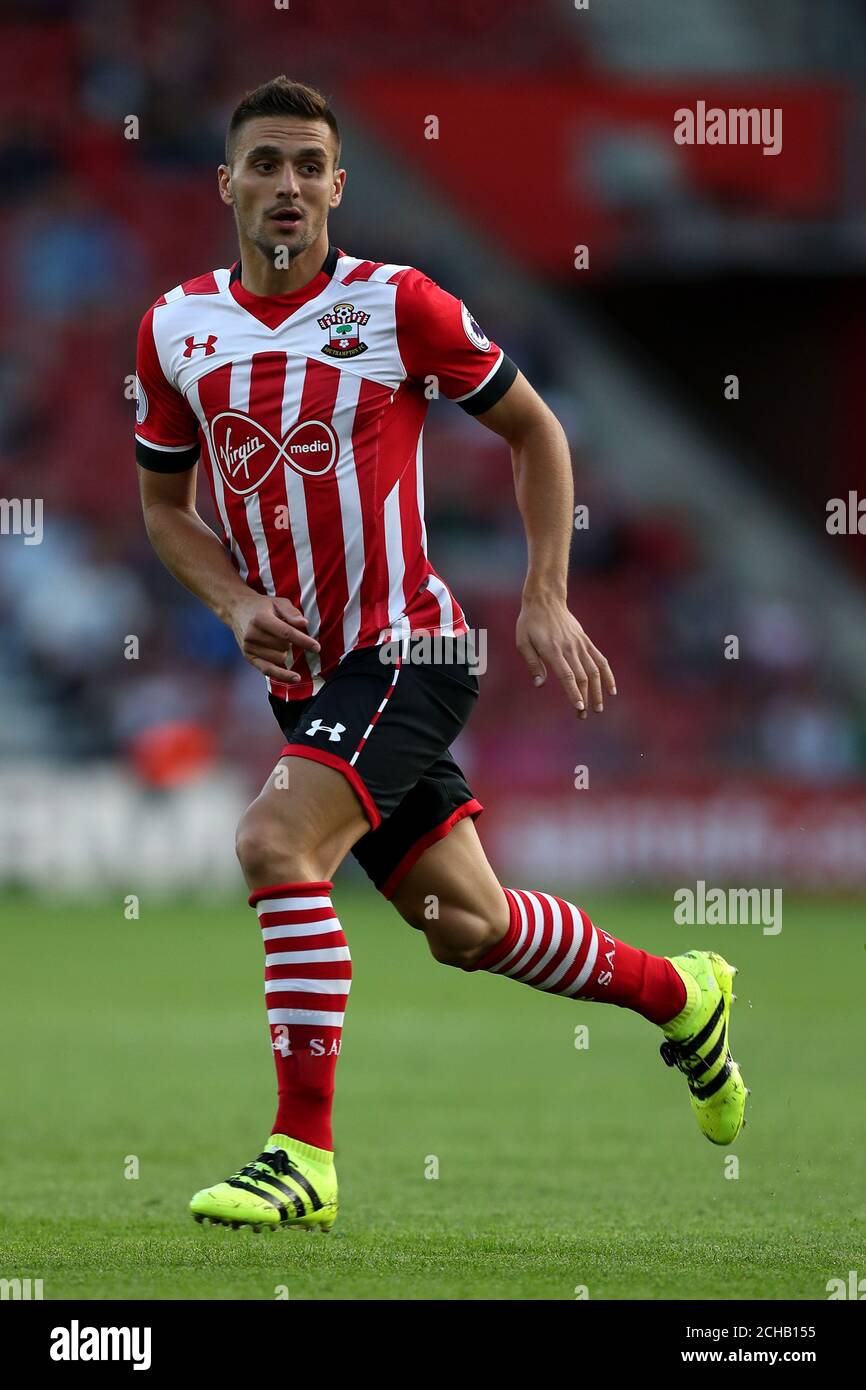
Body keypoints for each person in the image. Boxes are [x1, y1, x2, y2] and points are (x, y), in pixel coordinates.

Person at [134, 76, 746, 1233]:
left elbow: (535, 428)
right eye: (264, 164)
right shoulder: (174, 326)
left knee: (273, 843)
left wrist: (546, 595)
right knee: (466, 926)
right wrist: (231, 601)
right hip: (305, 677)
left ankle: (299, 1155)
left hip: (412, 647)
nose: (286, 186)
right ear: (226, 185)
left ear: (337, 187)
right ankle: (685, 994)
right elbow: (166, 510)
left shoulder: (394, 303)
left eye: (309, 166)